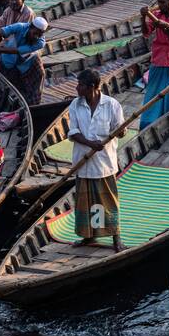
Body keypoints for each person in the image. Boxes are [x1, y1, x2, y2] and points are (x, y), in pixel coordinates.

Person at [67, 69, 126, 252]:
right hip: (83, 161)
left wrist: (120, 131)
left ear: (91, 87)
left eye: (80, 85)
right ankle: (89, 235)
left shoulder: (111, 105)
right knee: (87, 202)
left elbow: (120, 129)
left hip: (104, 163)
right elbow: (73, 132)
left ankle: (116, 237)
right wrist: (90, 143)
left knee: (107, 201)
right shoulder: (75, 105)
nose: (77, 88)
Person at [0, 16, 47, 106]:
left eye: (39, 34)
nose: (36, 36)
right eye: (35, 33)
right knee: (10, 83)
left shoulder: (40, 42)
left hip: (29, 60)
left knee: (40, 74)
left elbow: (17, 51)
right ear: (30, 27)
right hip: (9, 60)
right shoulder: (20, 26)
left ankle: (33, 104)